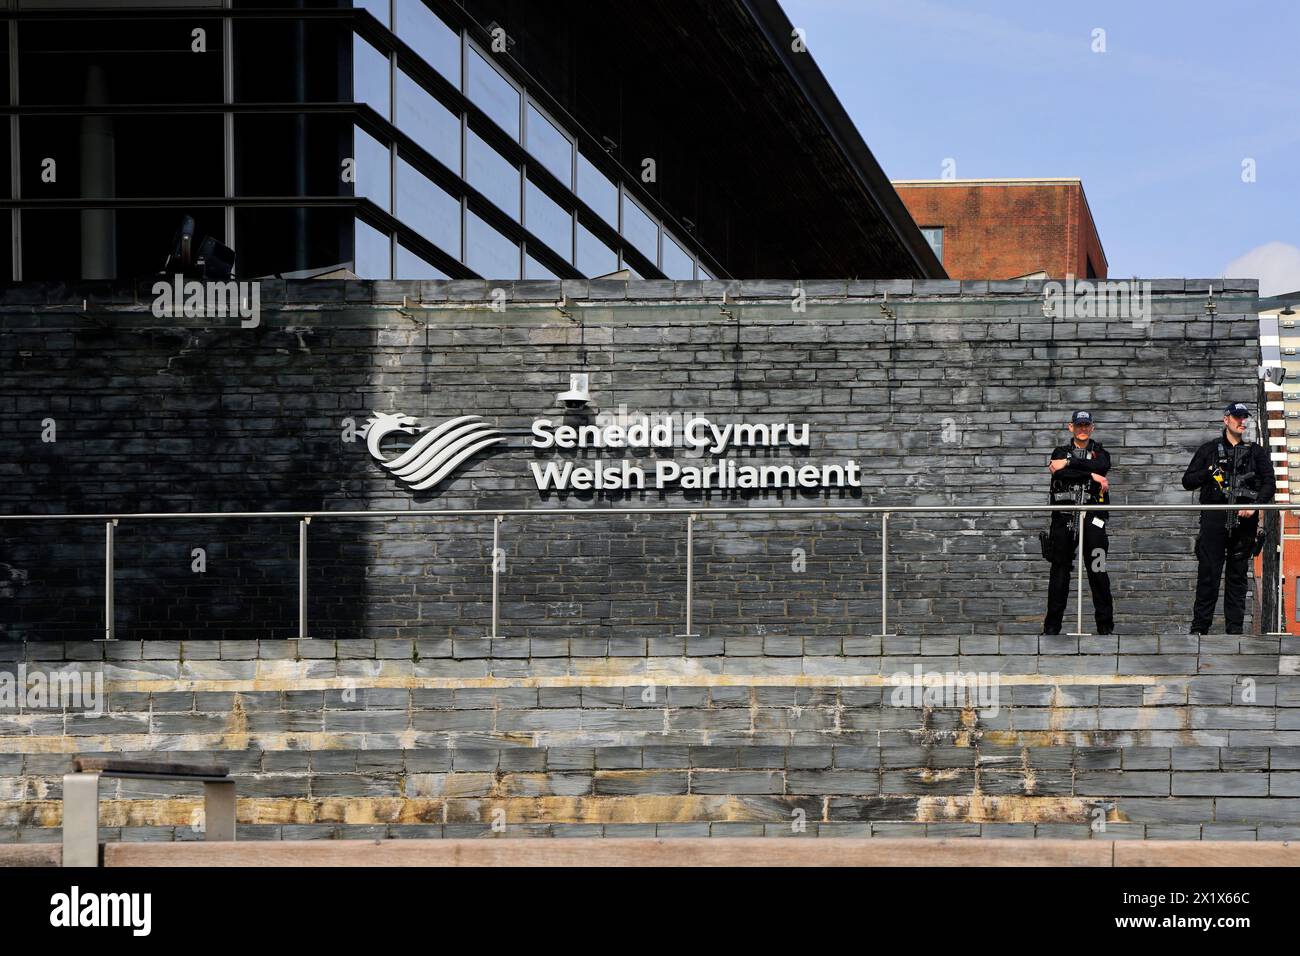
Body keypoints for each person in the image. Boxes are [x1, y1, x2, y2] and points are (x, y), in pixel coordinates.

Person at [1182, 402, 1276, 634]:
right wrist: (1211, 471)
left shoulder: (1256, 452)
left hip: (1244, 521)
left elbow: (1269, 484)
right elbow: (1188, 481)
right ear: (1226, 420)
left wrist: (1254, 506)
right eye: (1237, 417)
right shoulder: (1209, 449)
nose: (1241, 421)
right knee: (1208, 573)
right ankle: (1199, 628)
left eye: (1244, 417)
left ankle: (1234, 632)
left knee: (1238, 575)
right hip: (1214, 517)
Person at [1042, 411, 1114, 635]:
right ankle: (1052, 628)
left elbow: (1102, 466)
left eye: (1086, 425)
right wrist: (1092, 476)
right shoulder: (1059, 452)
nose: (1083, 429)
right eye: (1079, 425)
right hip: (1065, 517)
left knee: (1098, 570)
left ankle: (1105, 628)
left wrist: (1071, 463)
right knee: (1060, 572)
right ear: (1070, 427)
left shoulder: (1099, 452)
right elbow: (1060, 476)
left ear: (1092, 427)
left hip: (1094, 518)